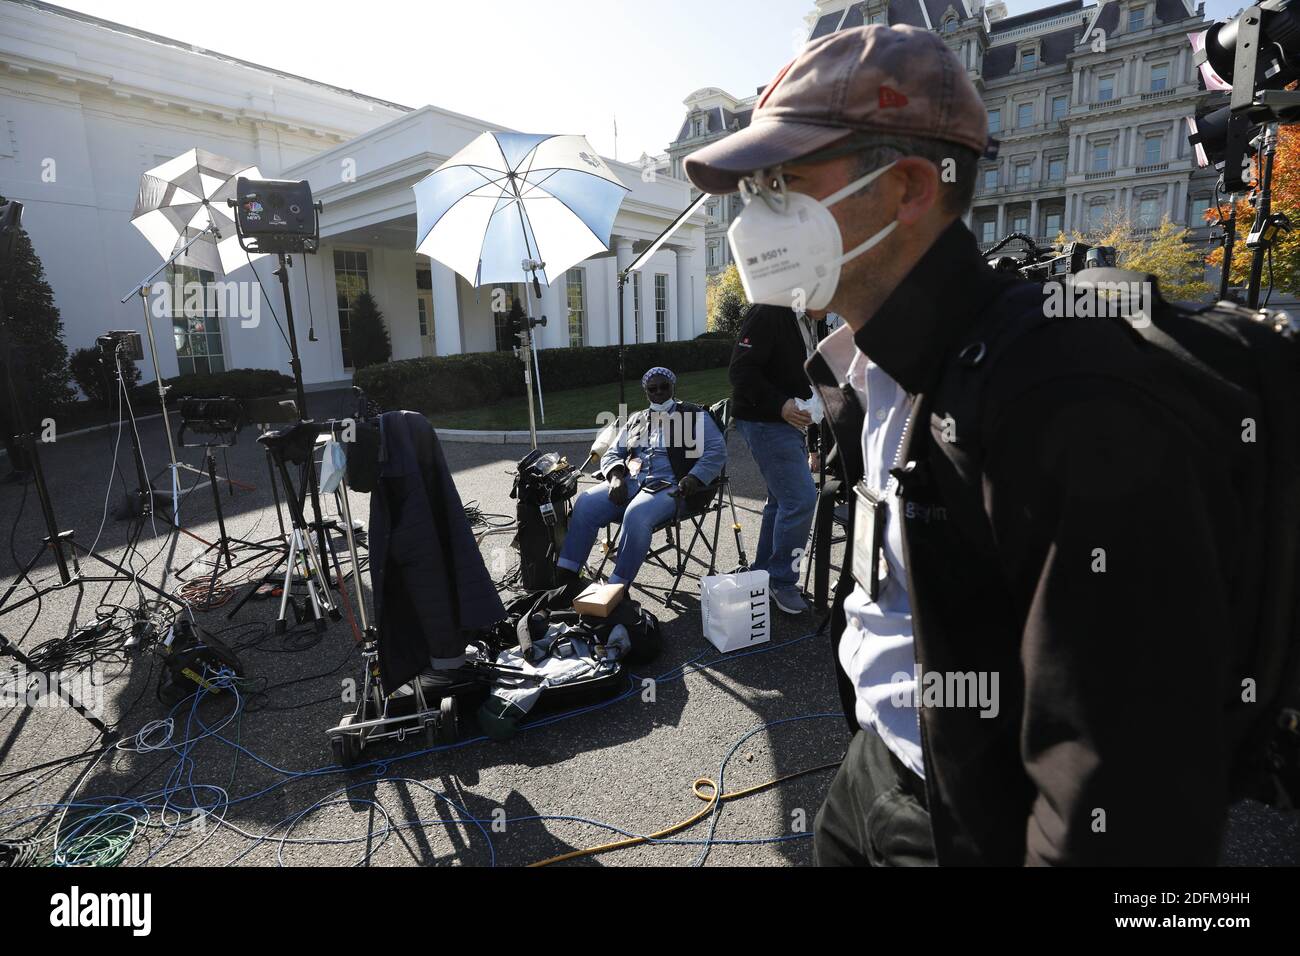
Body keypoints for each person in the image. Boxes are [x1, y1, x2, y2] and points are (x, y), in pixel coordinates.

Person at [685, 24, 1237, 865]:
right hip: (875, 761)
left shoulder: (1060, 390)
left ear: (909, 186)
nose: (753, 216)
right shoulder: (861, 361)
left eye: (783, 182)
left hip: (969, 820)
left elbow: (1128, 786)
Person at [556, 367, 726, 586]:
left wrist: (694, 477)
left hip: (672, 486)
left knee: (636, 515)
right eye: (652, 389)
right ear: (646, 392)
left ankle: (617, 587)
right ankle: (567, 574)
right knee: (586, 502)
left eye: (664, 387)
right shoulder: (637, 418)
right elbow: (613, 452)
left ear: (673, 387)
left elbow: (716, 451)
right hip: (631, 482)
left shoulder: (694, 415)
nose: (659, 392)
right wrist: (616, 477)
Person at [729, 304, 824, 614]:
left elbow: (805, 379)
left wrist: (813, 442)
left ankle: (763, 572)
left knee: (781, 501)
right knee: (800, 499)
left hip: (788, 423)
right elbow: (740, 371)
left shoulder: (809, 319)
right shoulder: (769, 312)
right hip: (765, 421)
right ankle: (781, 580)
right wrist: (780, 404)